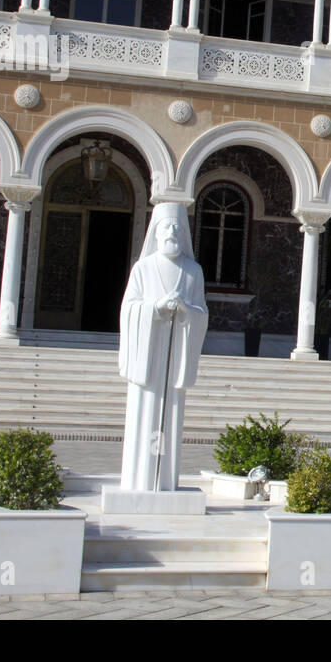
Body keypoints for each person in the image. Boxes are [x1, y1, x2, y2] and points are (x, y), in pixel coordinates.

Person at [117, 201, 208, 492]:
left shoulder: (193, 271)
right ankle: (139, 481)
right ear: (155, 232)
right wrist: (155, 308)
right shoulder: (142, 268)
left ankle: (164, 481)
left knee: (169, 417)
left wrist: (185, 311)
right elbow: (128, 308)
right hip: (149, 356)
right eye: (167, 226)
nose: (173, 232)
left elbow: (202, 313)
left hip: (175, 357)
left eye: (178, 228)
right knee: (145, 413)